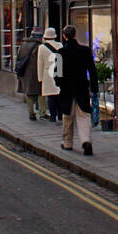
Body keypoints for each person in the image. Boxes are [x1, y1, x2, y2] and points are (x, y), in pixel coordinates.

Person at [58, 24, 98, 155]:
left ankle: (67, 143)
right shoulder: (85, 51)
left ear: (64, 36)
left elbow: (57, 74)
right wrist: (94, 88)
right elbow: (92, 71)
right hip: (82, 88)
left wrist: (59, 84)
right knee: (84, 116)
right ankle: (86, 141)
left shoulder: (60, 53)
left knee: (67, 117)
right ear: (75, 35)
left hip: (66, 89)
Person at [15, 26, 45, 120]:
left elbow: (18, 58)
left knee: (28, 93)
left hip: (25, 73)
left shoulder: (23, 45)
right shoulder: (40, 46)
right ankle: (42, 113)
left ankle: (31, 113)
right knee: (41, 92)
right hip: (36, 72)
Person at [37, 27, 62, 122]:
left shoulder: (42, 48)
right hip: (59, 72)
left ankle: (52, 116)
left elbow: (40, 63)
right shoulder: (60, 45)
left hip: (47, 74)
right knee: (59, 95)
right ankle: (60, 115)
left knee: (51, 96)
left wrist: (40, 78)